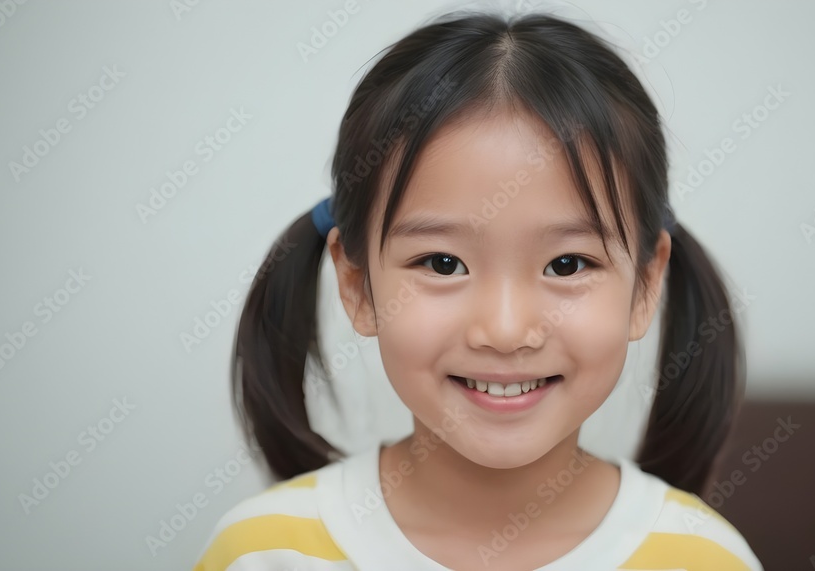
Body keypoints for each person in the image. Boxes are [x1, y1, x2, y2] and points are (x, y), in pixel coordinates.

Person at [193, 8, 762, 571]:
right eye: (442, 263)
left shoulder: (705, 559)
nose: (505, 329)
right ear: (358, 283)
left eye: (567, 264)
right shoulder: (262, 554)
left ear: (645, 284)